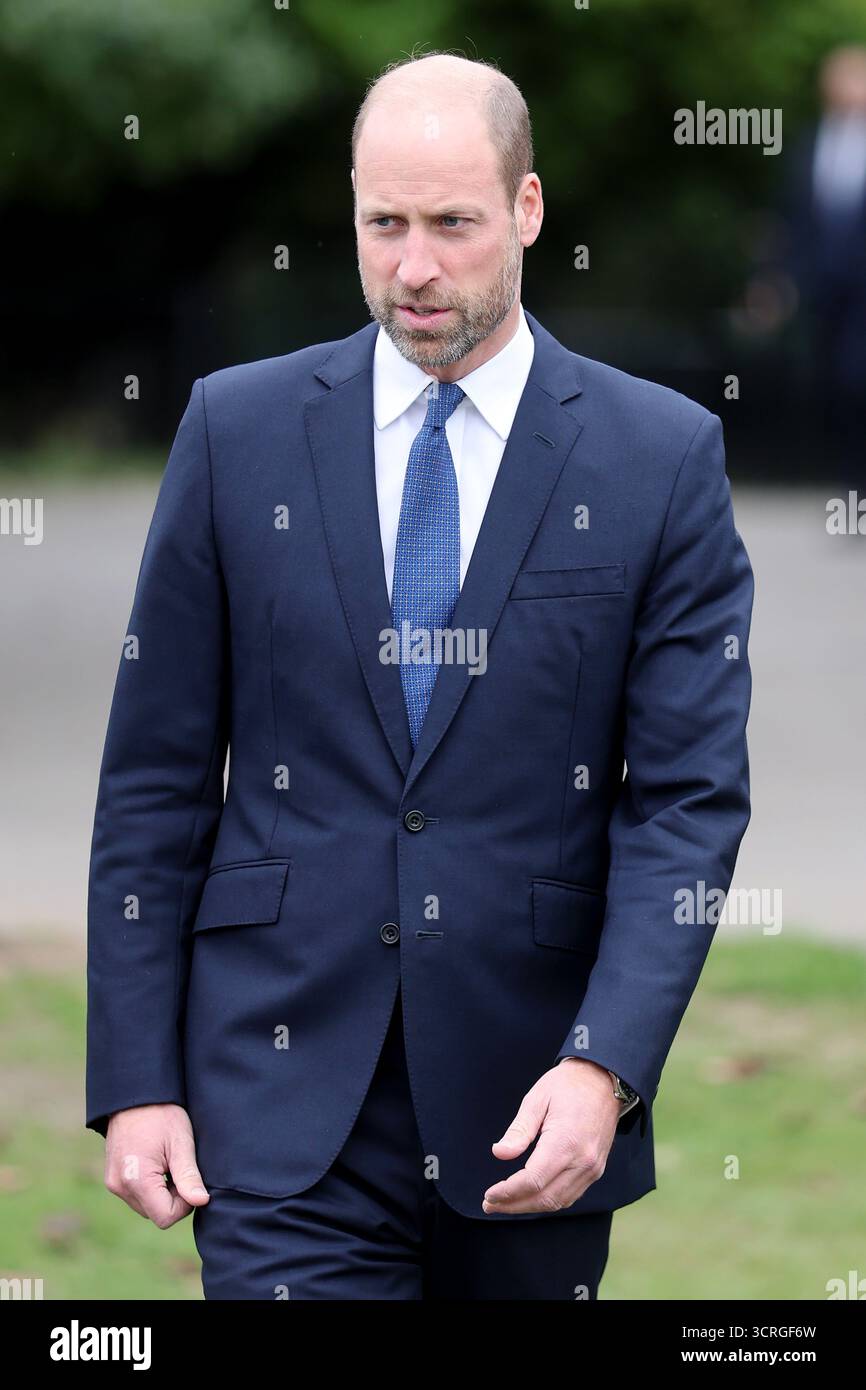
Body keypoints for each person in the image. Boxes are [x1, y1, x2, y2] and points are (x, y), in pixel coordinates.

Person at [86, 52, 754, 1301]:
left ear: (527, 210)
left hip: (529, 1110)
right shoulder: (234, 432)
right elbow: (154, 783)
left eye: (451, 223)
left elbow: (683, 806)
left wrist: (603, 1069)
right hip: (275, 1105)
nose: (413, 267)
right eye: (382, 224)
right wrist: (135, 1077)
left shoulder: (657, 459)